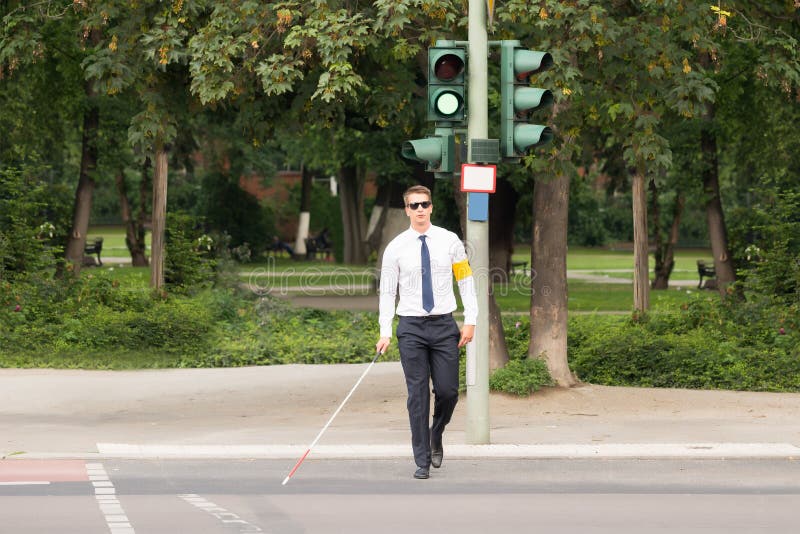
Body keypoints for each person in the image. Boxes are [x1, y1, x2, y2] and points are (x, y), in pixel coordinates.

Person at [375, 185, 478, 480]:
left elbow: (466, 282)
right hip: (411, 328)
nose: (420, 209)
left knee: (447, 392)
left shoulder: (450, 241)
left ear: (431, 207)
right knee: (417, 395)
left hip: (444, 325)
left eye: (425, 204)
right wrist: (385, 331)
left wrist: (470, 320)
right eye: (414, 205)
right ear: (407, 210)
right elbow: (386, 293)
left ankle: (437, 433)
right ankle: (421, 459)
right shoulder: (395, 248)